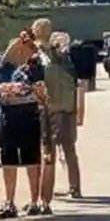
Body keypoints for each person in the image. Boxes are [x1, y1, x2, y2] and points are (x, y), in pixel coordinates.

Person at [0, 34, 45, 218]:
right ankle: (9, 202)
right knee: (8, 160)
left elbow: (41, 88)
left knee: (31, 159)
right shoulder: (6, 67)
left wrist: (21, 89)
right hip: (9, 116)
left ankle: (34, 202)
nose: (19, 49)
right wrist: (11, 89)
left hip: (29, 115)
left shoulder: (36, 66)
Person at [36, 25, 83, 204]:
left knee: (50, 152)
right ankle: (74, 187)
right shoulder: (69, 64)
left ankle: (49, 190)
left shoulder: (53, 63)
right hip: (67, 111)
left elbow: (46, 52)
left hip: (53, 112)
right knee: (69, 151)